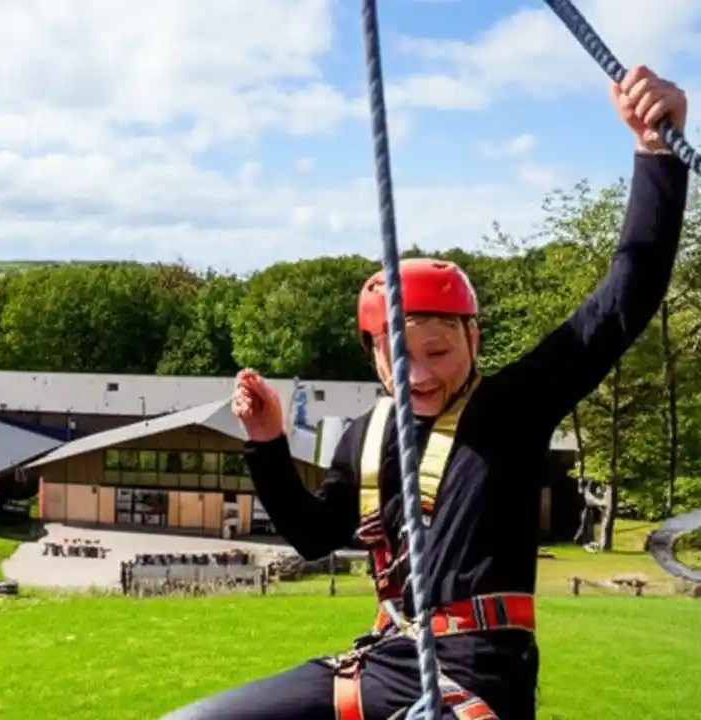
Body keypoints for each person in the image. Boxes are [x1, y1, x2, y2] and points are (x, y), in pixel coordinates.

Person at [161, 66, 689, 720]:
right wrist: (268, 443)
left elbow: (623, 300)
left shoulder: (512, 409)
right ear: (373, 354)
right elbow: (310, 535)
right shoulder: (366, 436)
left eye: (439, 351)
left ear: (474, 339)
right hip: (385, 660)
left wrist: (655, 150)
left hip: (478, 673)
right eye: (400, 355)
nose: (421, 374)